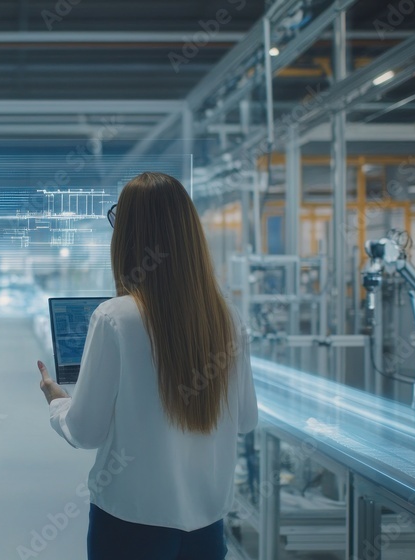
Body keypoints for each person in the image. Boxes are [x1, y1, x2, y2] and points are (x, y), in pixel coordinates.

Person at [36, 172, 258, 560]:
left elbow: (86, 431)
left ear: (127, 237)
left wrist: (57, 401)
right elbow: (246, 419)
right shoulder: (227, 317)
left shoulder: (114, 317)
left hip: (130, 528)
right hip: (206, 530)